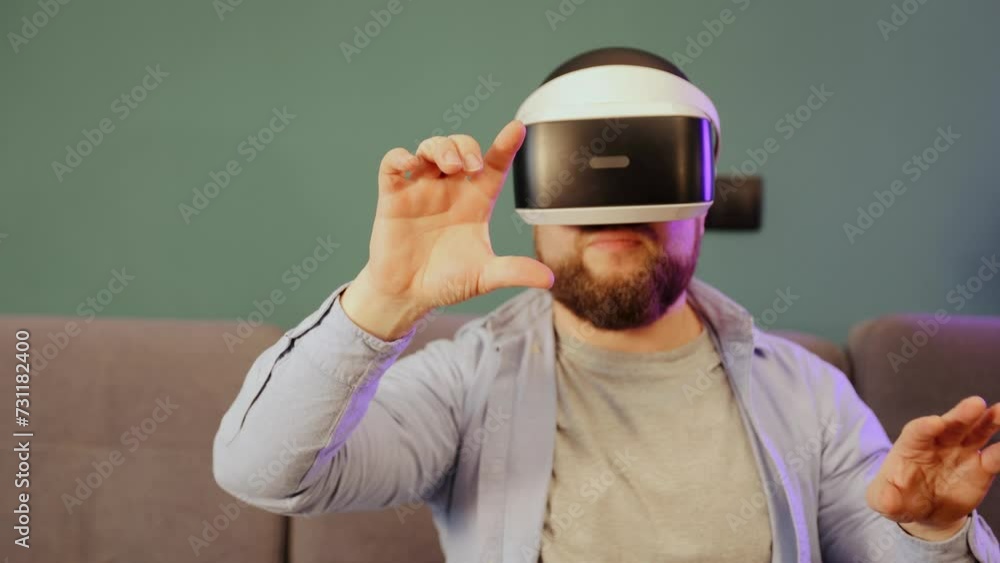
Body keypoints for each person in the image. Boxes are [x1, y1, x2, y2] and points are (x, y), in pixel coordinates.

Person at [213, 59, 1000, 562]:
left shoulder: (807, 392)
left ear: (702, 198)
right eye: (585, 182)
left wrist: (932, 529)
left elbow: (889, 546)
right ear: (531, 201)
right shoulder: (467, 381)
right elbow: (262, 470)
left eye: (648, 180)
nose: (615, 210)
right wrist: (382, 299)